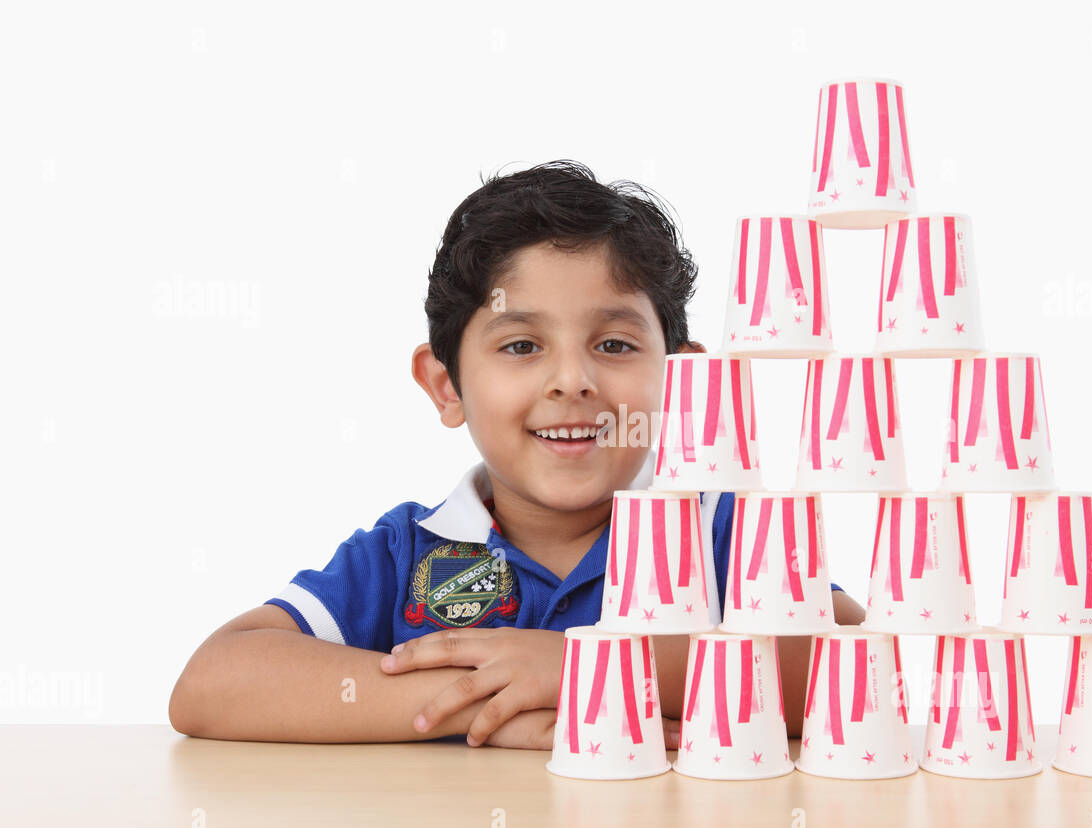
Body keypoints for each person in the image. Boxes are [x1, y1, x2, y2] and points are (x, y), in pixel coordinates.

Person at [168, 160, 865, 750]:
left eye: (615, 344)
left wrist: (585, 672)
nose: (571, 380)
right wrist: (484, 699)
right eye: (522, 346)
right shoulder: (407, 553)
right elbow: (212, 682)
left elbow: (848, 661)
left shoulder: (723, 531)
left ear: (689, 386)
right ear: (447, 386)